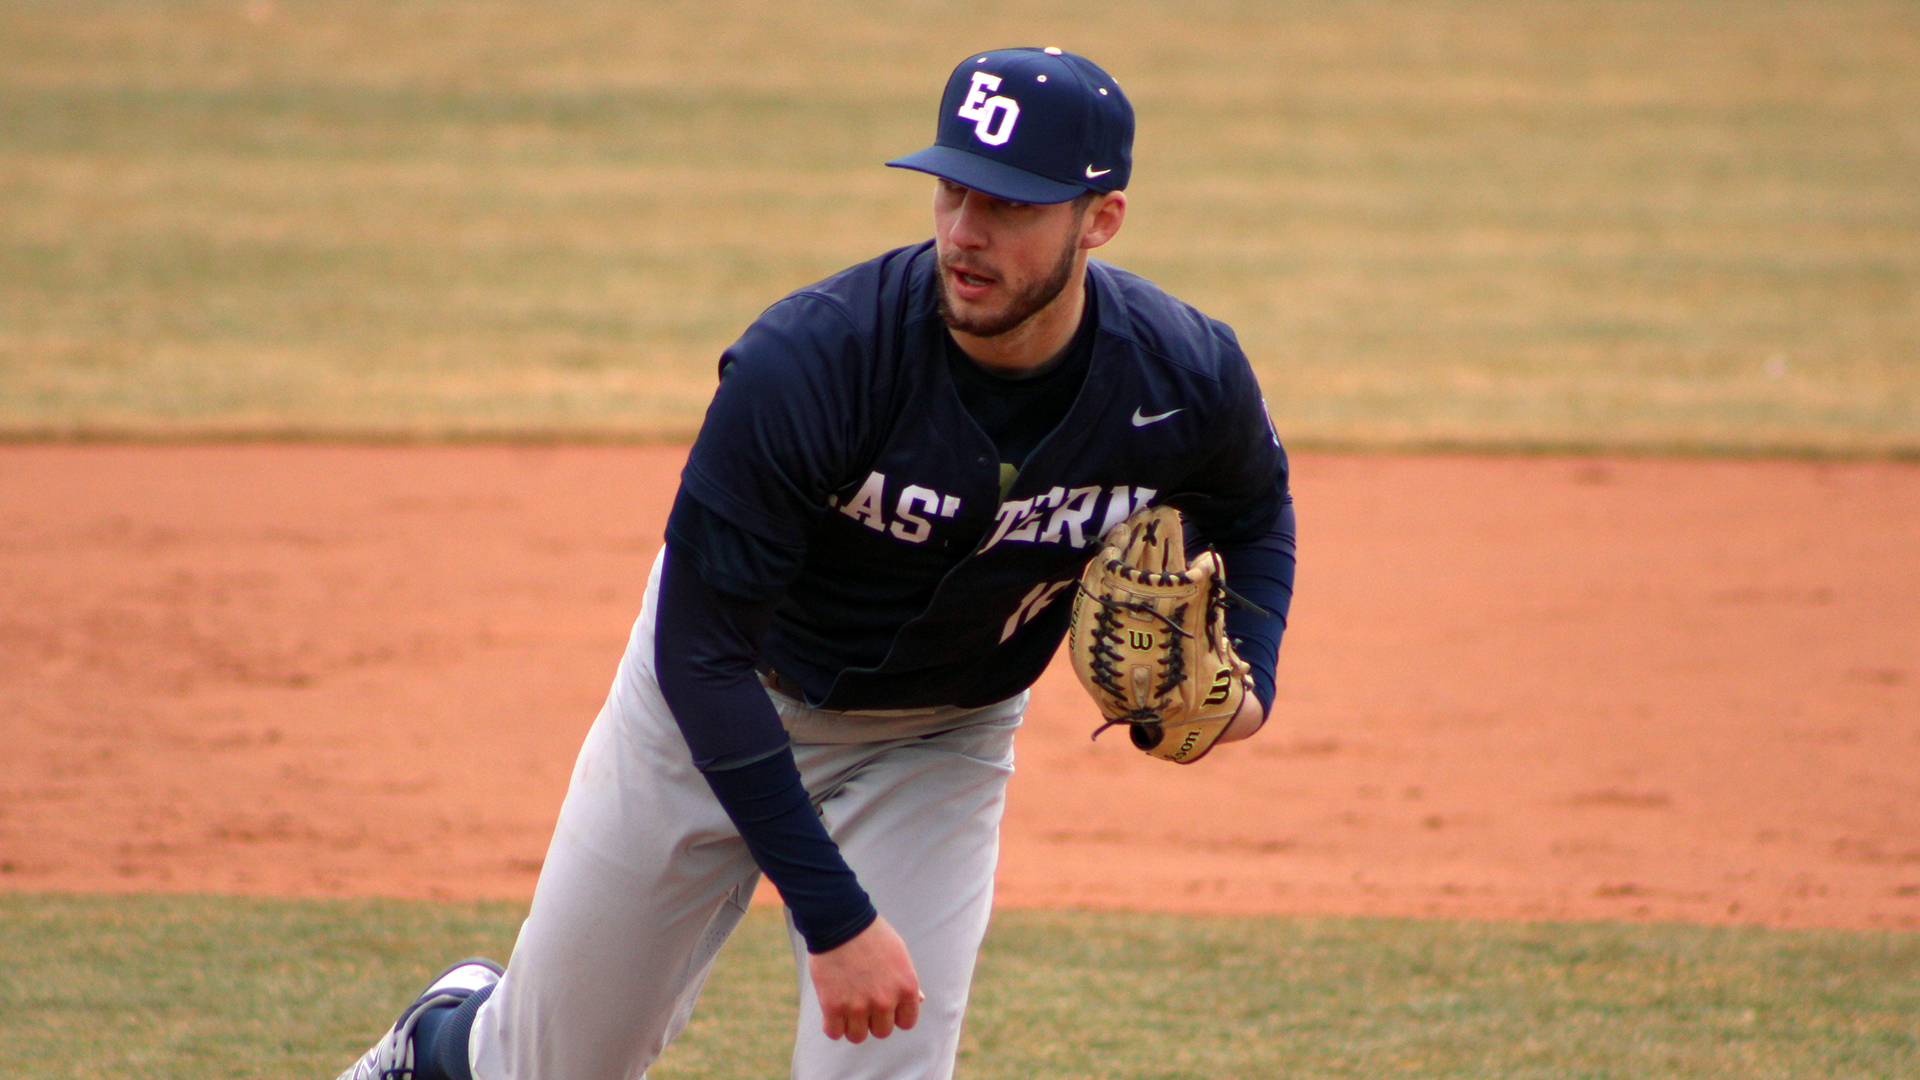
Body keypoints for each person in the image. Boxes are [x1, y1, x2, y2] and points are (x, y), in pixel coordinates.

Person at [335, 45, 1296, 1080]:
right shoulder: (812, 361)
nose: (967, 233)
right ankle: (442, 1038)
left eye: (1013, 206)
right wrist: (833, 917)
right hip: (718, 702)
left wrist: (1251, 680)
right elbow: (698, 655)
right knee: (547, 1070)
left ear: (1098, 218)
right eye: (955, 190)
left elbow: (1255, 507)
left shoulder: (1182, 375)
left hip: (939, 737)